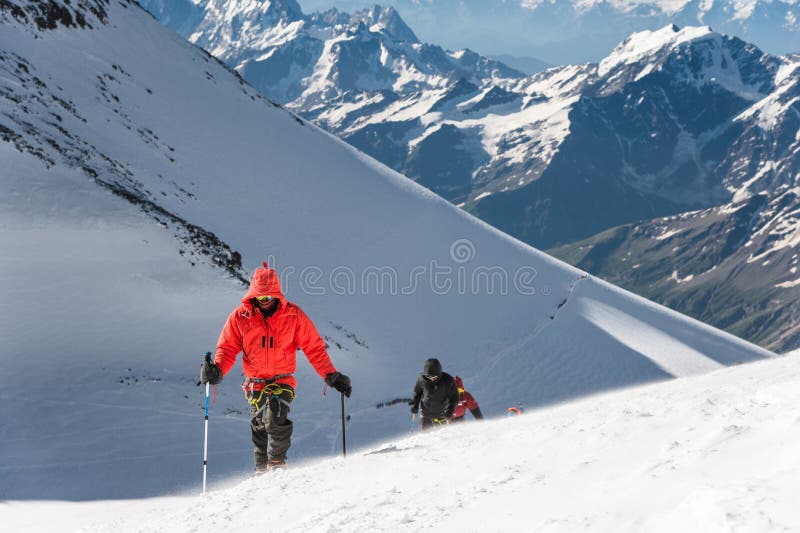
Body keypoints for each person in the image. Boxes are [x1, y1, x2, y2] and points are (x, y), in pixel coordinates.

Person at [201, 263, 351, 473]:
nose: (265, 301)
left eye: (269, 296)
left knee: (275, 416)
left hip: (282, 380)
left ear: (277, 294)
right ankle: (261, 470)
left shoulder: (293, 315)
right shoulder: (240, 317)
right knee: (261, 425)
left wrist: (331, 375)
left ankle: (277, 465)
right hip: (254, 384)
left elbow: (314, 348)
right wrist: (216, 370)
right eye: (261, 297)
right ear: (253, 295)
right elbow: (227, 349)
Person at [409, 358, 459, 429]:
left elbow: (454, 397)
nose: (431, 379)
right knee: (425, 436)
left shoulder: (447, 380)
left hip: (442, 415)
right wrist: (415, 404)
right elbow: (417, 392)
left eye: (434, 377)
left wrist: (450, 409)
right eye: (429, 377)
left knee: (441, 437)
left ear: (439, 374)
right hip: (425, 414)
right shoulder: (422, 379)